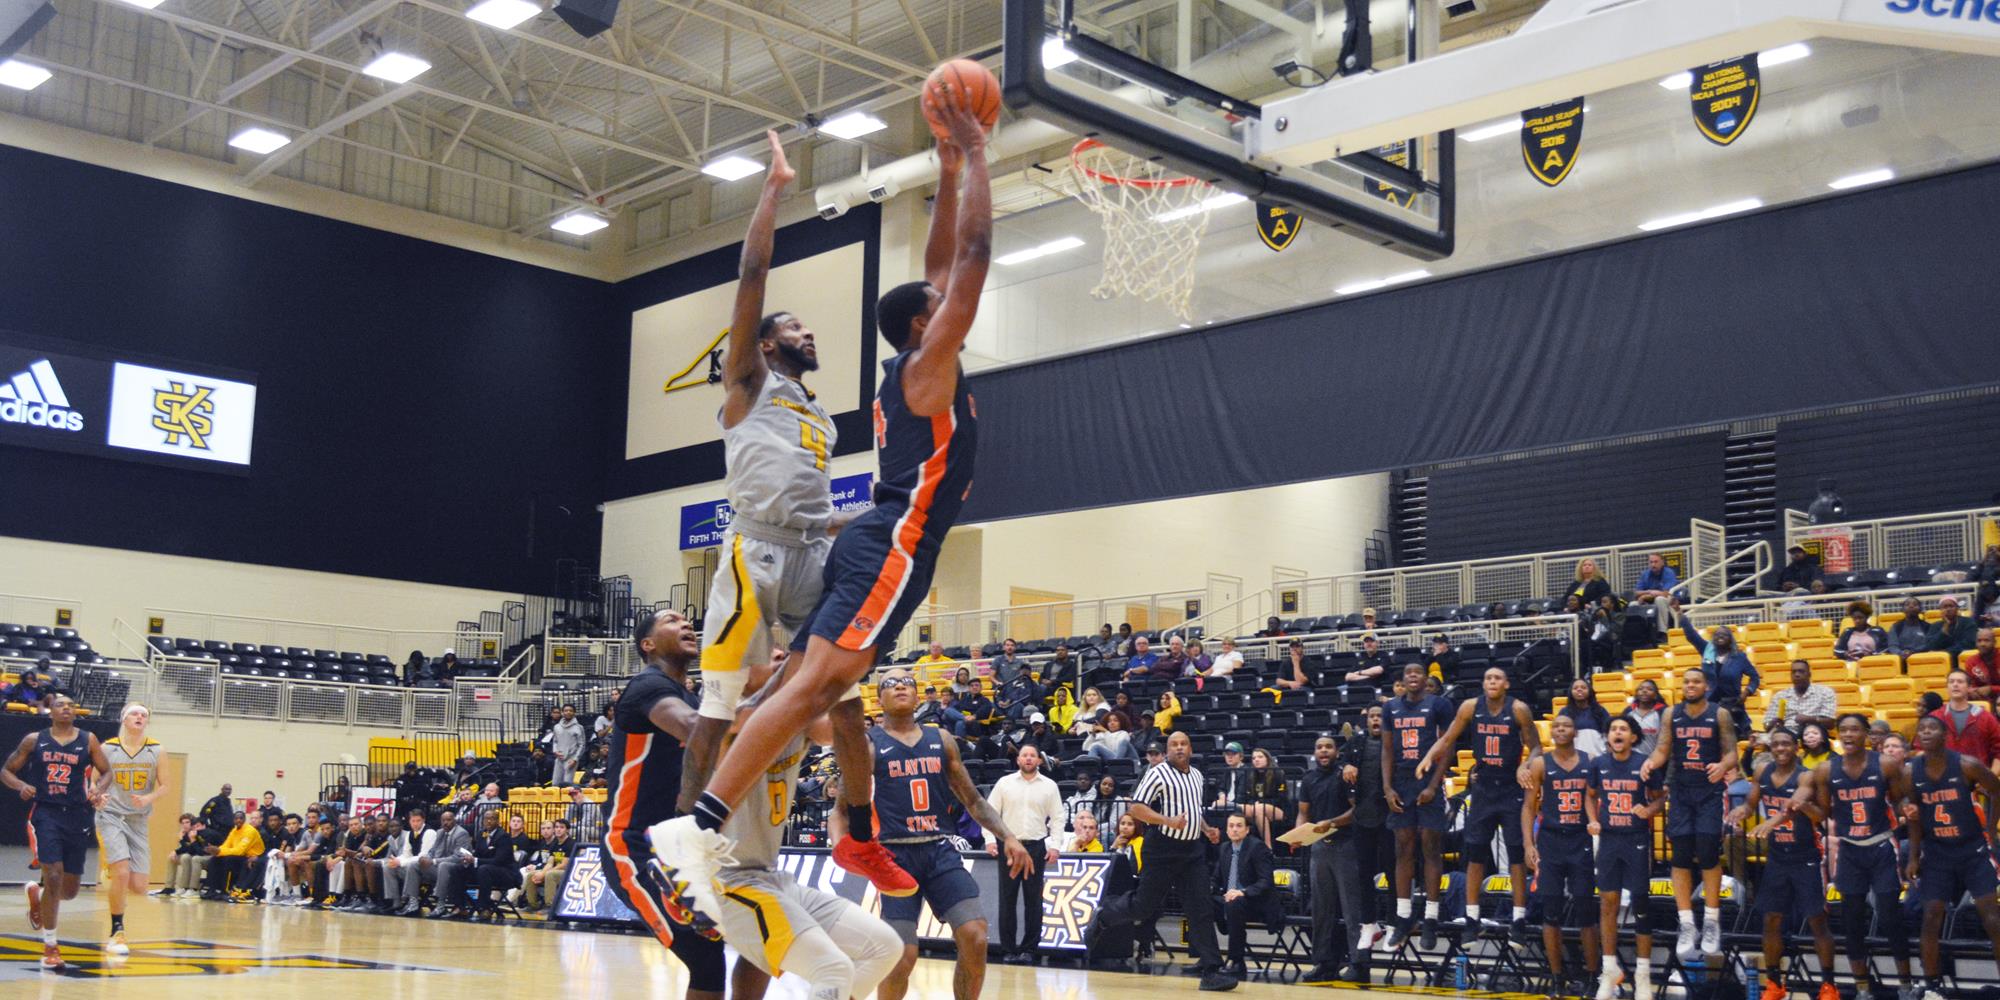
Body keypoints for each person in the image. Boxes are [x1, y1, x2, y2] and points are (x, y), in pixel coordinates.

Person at [671, 128, 908, 901]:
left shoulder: (820, 414)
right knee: (714, 708)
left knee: (843, 703)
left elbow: (806, 498)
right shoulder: (749, 382)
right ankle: (684, 848)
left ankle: (860, 833)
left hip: (810, 554)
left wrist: (851, 522)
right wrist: (772, 192)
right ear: (769, 343)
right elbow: (750, 273)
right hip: (753, 554)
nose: (809, 334)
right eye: (795, 326)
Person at [599, 609, 751, 1000]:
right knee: (702, 950)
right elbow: (695, 730)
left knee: (712, 955)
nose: (687, 624)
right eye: (671, 620)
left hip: (681, 847)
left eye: (688, 620)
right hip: (633, 845)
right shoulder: (647, 686)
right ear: (647, 645)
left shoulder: (691, 695)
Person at [867, 668, 1030, 999]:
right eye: (890, 683)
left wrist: (1008, 836)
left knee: (976, 935)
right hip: (894, 856)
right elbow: (843, 804)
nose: (900, 686)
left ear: (917, 695)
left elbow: (972, 800)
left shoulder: (940, 739)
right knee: (903, 955)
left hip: (939, 850)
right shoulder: (868, 745)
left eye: (907, 683)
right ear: (879, 699)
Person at [1090, 730, 1236, 991]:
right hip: (1162, 849)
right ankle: (1105, 914)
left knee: (1200, 907)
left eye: (1184, 743)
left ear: (1190, 748)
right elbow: (1136, 807)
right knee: (1144, 907)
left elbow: (1192, 809)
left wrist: (1206, 829)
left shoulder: (1197, 775)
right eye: (1174, 745)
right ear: (1167, 751)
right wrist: (1167, 821)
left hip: (1192, 851)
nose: (1179, 748)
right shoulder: (1157, 773)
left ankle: (1211, 968)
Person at [1789, 713, 1916, 1000]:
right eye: (1843, 730)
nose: (1848, 734)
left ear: (1866, 734)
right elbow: (1824, 814)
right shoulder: (1826, 770)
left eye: (1854, 730)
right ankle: (1862, 988)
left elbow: (1899, 799)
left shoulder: (1883, 763)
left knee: (1890, 916)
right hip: (1849, 848)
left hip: (1882, 845)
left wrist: (1907, 809)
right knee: (1852, 920)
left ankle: (1906, 985)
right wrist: (1804, 805)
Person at [1417, 665, 1542, 941]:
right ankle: (1472, 918)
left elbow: (1536, 747)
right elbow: (1448, 738)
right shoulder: (1470, 707)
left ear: (1506, 684)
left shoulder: (1518, 709)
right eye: (1487, 678)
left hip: (1511, 788)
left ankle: (1519, 919)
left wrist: (1527, 764)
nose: (1492, 681)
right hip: (1483, 789)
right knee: (1474, 854)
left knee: (1516, 858)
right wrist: (1428, 757)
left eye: (1497, 678)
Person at [1724, 727, 1840, 1000]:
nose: (1780, 749)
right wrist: (1744, 810)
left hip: (1807, 856)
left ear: (1796, 747)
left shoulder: (1806, 775)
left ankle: (1829, 985)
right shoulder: (1763, 773)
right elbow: (1753, 802)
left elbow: (1818, 811)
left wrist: (1791, 814)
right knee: (1771, 920)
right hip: (1778, 856)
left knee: (1817, 921)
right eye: (1775, 744)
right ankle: (1775, 984)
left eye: (1786, 744)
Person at [1, 693, 112, 970]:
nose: (66, 708)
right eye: (61, 705)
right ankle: (50, 946)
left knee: (70, 890)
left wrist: (98, 789)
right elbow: (7, 771)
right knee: (53, 874)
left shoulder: (88, 740)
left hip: (78, 815)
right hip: (46, 813)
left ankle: (38, 897)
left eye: (71, 706)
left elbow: (107, 771)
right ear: (50, 711)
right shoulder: (34, 739)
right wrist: (20, 786)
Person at [1641, 667, 1738, 962]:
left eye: (1696, 681)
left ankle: (1711, 919)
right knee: (1680, 856)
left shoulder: (1719, 714)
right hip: (1681, 793)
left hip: (1709, 793)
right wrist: (1648, 764)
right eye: (1686, 682)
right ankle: (1687, 923)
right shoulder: (1671, 714)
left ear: (1706, 686)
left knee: (1708, 852)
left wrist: (1723, 766)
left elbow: (1732, 753)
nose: (1690, 685)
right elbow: (1662, 749)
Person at [1906, 714, 2000, 1000]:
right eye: (1921, 729)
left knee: (1991, 917)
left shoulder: (1966, 765)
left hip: (1971, 850)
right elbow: (1914, 817)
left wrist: (1991, 830)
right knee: (1931, 916)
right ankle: (1931, 985)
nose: (1925, 733)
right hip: (1937, 853)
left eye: (1932, 728)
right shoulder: (1912, 772)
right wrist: (1913, 856)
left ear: (1945, 735)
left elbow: (1996, 791)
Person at [1588, 715, 1664, 1000]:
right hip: (1608, 840)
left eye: (1623, 729)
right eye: (1613, 729)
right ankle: (1610, 971)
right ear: (1608, 736)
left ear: (1633, 736)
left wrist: (1650, 809)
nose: (1617, 733)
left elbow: (1659, 797)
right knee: (1608, 903)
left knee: (1641, 903)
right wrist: (1592, 819)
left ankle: (1643, 976)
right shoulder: (1598, 764)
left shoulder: (1643, 764)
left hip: (1636, 840)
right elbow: (1589, 794)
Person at [1523, 715, 1598, 998]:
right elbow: (1529, 808)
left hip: (1580, 840)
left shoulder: (1590, 760)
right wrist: (1530, 844)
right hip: (1551, 843)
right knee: (1550, 914)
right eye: (1556, 726)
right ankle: (1557, 978)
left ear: (1574, 731)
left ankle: (1592, 977)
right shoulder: (1541, 763)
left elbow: (1597, 796)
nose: (1561, 729)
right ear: (1551, 732)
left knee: (1585, 913)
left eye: (1566, 725)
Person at [1380, 662, 1454, 951]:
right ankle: (1403, 916)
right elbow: (1387, 750)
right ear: (1402, 679)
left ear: (1426, 679)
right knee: (1403, 849)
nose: (1412, 676)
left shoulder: (1440, 705)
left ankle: (1431, 918)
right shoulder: (1390, 708)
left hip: (1428, 781)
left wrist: (1434, 785)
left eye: (1417, 672)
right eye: (1407, 672)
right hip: (1400, 782)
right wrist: (1387, 788)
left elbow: (1446, 747)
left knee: (1431, 847)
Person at [1296, 732, 1367, 986]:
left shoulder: (1344, 775)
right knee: (1321, 909)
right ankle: (1324, 963)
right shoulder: (1308, 778)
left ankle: (1359, 963)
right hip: (1318, 847)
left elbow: (1357, 809)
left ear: (1337, 752)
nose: (1323, 751)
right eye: (1319, 747)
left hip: (1345, 845)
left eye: (1328, 747)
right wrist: (1298, 835)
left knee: (1351, 910)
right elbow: (1303, 813)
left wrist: (1333, 823)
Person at [985, 744, 1064, 965]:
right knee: (1007, 899)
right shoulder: (1004, 783)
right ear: (1018, 760)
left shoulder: (1049, 786)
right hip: (1009, 846)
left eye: (1032, 756)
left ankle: (1030, 949)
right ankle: (1008, 949)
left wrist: (1055, 845)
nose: (1028, 759)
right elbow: (990, 813)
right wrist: (990, 840)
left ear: (1039, 760)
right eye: (1024, 755)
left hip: (1035, 847)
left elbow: (1058, 818)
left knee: (1033, 900)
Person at [97, 703, 164, 953]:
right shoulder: (108, 748)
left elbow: (165, 785)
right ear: (124, 719)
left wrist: (149, 798)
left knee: (139, 886)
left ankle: (109, 871)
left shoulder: (157, 750)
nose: (140, 717)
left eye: (144, 715)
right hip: (111, 813)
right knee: (123, 873)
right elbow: (94, 781)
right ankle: (117, 932)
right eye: (135, 714)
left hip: (138, 819)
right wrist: (98, 796)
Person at [1210, 813, 1278, 981]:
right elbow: (1215, 878)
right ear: (1226, 830)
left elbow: (1266, 881)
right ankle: (1206, 957)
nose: (1234, 829)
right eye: (1231, 826)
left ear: (1247, 830)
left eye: (1239, 826)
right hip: (1230, 900)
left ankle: (1236, 960)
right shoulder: (1225, 848)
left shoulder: (1257, 847)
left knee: (1235, 902)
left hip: (1255, 902)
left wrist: (1243, 892)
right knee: (1199, 903)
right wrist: (1207, 889)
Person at [1929, 669, 2000, 765]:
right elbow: (1920, 750)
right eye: (1951, 682)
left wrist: (1988, 777)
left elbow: (1998, 751)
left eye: (1960, 681)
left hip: (1977, 777)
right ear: (1947, 687)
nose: (1955, 685)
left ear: (1970, 688)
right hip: (1944, 778)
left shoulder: (1986, 718)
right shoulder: (1934, 717)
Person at [1765, 659, 1838, 733]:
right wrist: (1773, 723)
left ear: (1809, 674)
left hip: (1813, 732)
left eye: (1801, 671)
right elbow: (1766, 724)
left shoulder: (1824, 692)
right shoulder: (1780, 696)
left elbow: (1830, 723)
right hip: (1785, 733)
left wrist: (1808, 719)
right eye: (1794, 672)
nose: (1797, 674)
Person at [1241, 748, 1289, 849]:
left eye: (1260, 757)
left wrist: (1261, 803)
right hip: (1257, 808)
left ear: (1267, 759)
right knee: (1242, 808)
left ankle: (1268, 847)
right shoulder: (1251, 775)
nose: (1256, 760)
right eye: (1254, 758)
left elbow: (1281, 799)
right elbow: (1248, 797)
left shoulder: (1278, 773)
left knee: (1258, 809)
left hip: (1279, 810)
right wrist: (1255, 803)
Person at [1561, 678, 1612, 755]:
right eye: (1575, 688)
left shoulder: (1600, 711)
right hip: (1574, 761)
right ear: (1571, 692)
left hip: (1598, 758)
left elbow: (1609, 735)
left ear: (1590, 691)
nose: (1579, 690)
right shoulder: (1565, 712)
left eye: (1583, 687)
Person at [1626, 679, 1666, 757]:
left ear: (1656, 694)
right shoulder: (1628, 711)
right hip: (1632, 760)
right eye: (1641, 689)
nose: (1644, 691)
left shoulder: (1663, 712)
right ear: (1637, 693)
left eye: (1649, 689)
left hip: (1656, 760)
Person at [549, 704, 586, 787]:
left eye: (570, 710)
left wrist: (575, 759)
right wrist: (555, 751)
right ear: (562, 712)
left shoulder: (579, 727)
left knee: (567, 785)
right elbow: (555, 741)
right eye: (566, 710)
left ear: (574, 713)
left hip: (571, 759)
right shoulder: (557, 727)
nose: (568, 712)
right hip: (559, 758)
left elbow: (582, 745)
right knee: (555, 784)